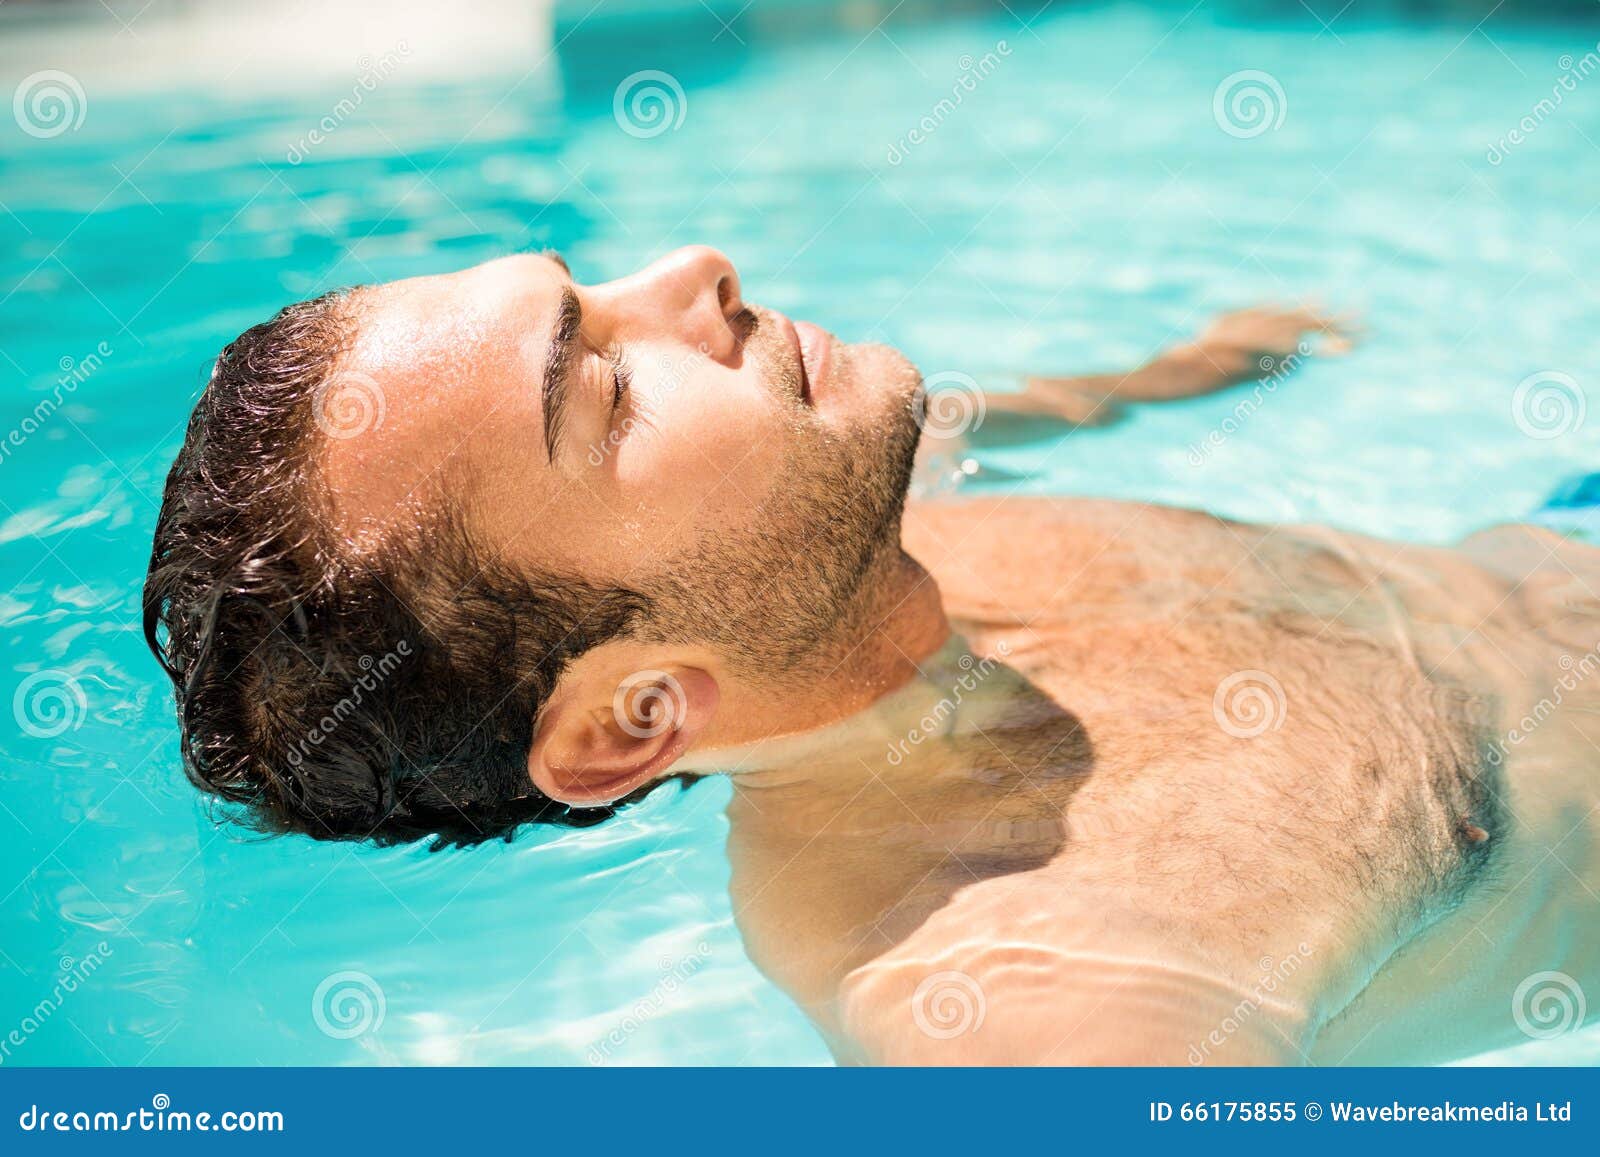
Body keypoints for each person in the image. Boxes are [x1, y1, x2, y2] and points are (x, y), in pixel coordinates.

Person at [144, 246, 1599, 1064]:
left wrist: (1175, 377)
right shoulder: (1007, 978)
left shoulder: (843, 527)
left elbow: (965, 421)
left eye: (593, 287)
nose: (692, 275)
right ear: (629, 722)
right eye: (602, 386)